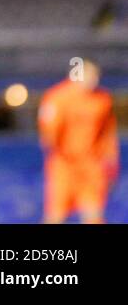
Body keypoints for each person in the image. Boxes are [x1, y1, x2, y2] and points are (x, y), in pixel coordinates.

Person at [39, 60, 118, 224]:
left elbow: (108, 134)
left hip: (91, 165)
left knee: (94, 215)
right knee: (56, 215)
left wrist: (111, 165)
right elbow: (48, 134)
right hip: (64, 165)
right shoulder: (57, 97)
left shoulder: (102, 99)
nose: (93, 79)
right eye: (88, 74)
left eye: (95, 75)